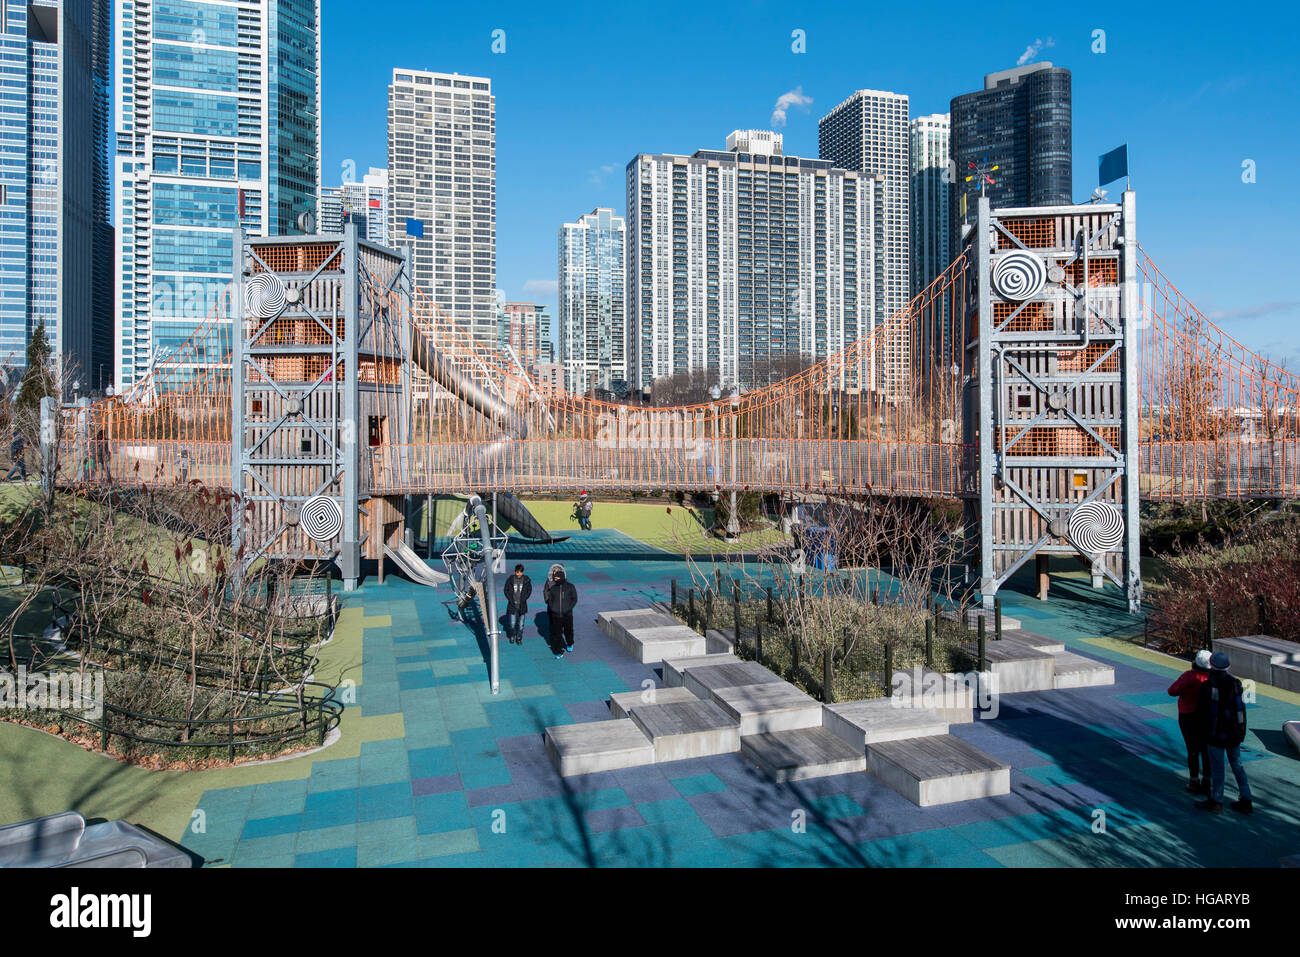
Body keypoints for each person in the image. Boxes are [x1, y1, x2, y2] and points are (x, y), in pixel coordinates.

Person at [1195, 651, 1253, 814]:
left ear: (1211, 665)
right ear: (1228, 666)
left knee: (1217, 768)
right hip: (1234, 732)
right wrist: (1241, 731)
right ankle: (1246, 798)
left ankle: (1216, 800)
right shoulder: (1235, 683)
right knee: (1237, 765)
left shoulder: (1207, 686)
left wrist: (1202, 733)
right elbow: (1241, 710)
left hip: (1215, 734)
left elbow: (1202, 712)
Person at [1168, 650, 1212, 793]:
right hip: (1207, 716)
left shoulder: (1189, 676)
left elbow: (1172, 690)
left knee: (1192, 749)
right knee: (1206, 749)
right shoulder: (1212, 678)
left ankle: (1194, 780)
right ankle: (1207, 780)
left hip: (1188, 715)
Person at [545, 568, 578, 659]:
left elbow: (574, 599)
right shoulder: (553, 589)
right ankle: (558, 651)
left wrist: (568, 608)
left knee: (568, 631)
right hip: (556, 615)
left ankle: (570, 643)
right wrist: (553, 609)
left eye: (557, 578)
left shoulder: (570, 587)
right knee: (557, 634)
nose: (556, 580)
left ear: (562, 577)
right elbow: (550, 600)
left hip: (567, 614)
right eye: (555, 578)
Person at [503, 563, 532, 645]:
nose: (519, 574)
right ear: (515, 572)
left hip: (522, 606)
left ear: (522, 572)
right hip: (512, 605)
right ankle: (512, 635)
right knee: (512, 623)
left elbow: (529, 590)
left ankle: (519, 638)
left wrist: (524, 598)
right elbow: (506, 590)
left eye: (520, 572)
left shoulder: (526, 580)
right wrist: (510, 599)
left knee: (521, 624)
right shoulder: (510, 579)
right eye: (517, 572)